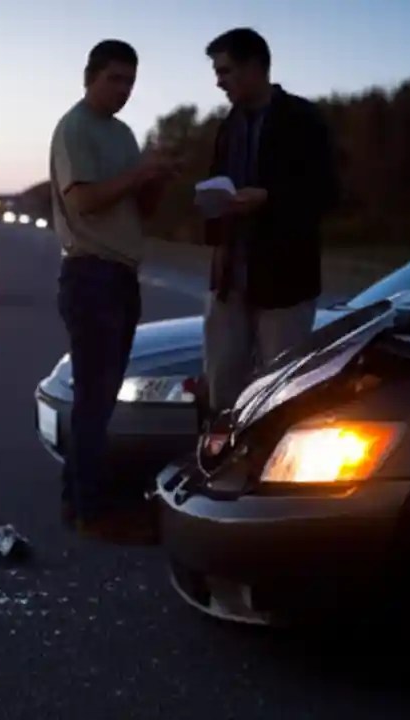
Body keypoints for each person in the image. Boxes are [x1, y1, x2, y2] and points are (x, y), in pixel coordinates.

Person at [49, 39, 177, 543]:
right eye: (114, 79)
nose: (122, 90)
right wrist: (137, 173)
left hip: (121, 273)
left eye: (130, 82)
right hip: (91, 274)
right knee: (95, 399)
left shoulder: (123, 134)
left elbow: (135, 207)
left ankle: (75, 499)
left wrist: (155, 178)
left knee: (99, 398)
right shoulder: (75, 127)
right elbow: (83, 202)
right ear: (90, 77)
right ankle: (92, 511)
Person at [199, 28, 340, 417]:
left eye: (225, 71)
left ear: (254, 66)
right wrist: (214, 204)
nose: (218, 81)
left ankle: (273, 472)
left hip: (284, 280)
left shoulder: (302, 119)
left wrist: (269, 198)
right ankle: (221, 467)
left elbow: (326, 191)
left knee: (281, 392)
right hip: (229, 278)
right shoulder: (228, 125)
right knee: (222, 386)